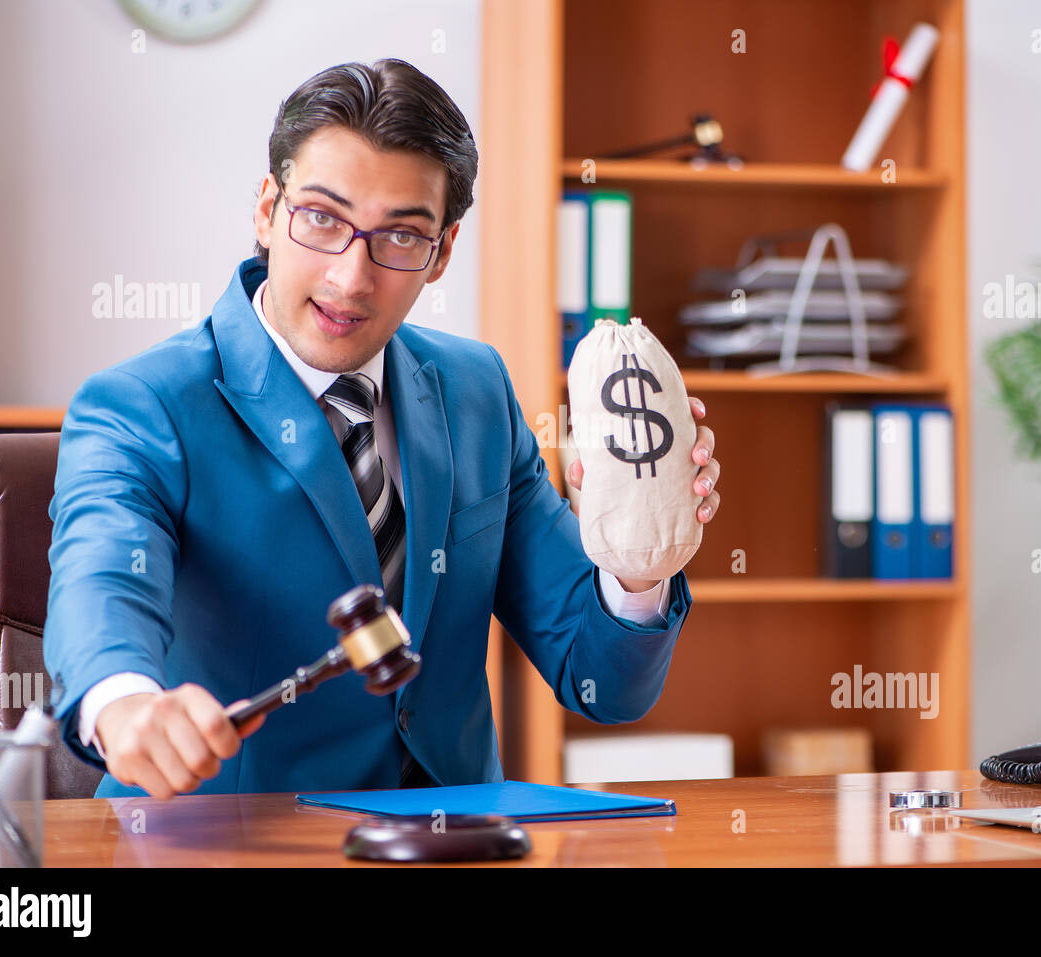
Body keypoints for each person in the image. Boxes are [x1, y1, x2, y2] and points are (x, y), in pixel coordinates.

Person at [43, 59, 721, 800]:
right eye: (323, 218)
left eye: (400, 236)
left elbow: (602, 683)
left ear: (444, 251)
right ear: (268, 210)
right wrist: (125, 702)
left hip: (458, 846)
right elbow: (102, 582)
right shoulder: (141, 404)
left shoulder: (477, 392)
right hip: (230, 846)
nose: (350, 277)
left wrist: (639, 559)